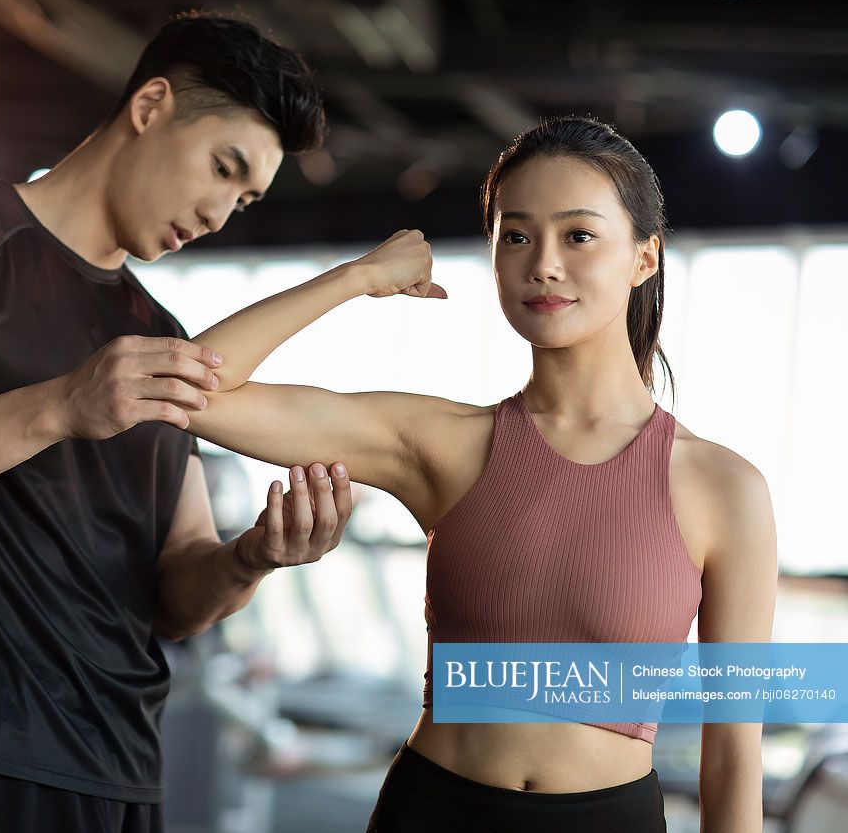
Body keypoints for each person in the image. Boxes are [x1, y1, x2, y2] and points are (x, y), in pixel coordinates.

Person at [0, 13, 354, 832]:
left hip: (125, 770)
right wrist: (58, 404)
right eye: (222, 169)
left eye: (246, 196)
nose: (222, 213)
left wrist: (252, 556)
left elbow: (174, 590)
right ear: (151, 105)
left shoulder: (160, 338)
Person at [183, 116, 778, 832]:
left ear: (644, 257)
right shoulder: (441, 444)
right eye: (516, 236)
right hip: (433, 810)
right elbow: (196, 390)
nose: (543, 264)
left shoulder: (723, 489)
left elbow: (733, 753)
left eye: (578, 235)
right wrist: (357, 277)